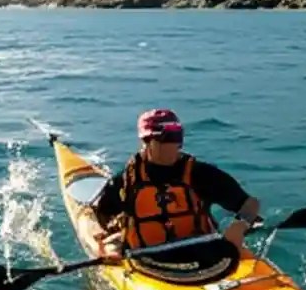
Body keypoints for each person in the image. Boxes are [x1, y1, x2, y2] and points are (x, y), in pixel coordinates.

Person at [78, 108, 260, 264]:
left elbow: (250, 204)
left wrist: (241, 224)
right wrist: (109, 244)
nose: (174, 146)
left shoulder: (201, 174)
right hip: (147, 258)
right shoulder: (126, 181)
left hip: (203, 251)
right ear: (146, 142)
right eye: (166, 140)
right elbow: (95, 219)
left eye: (177, 138)